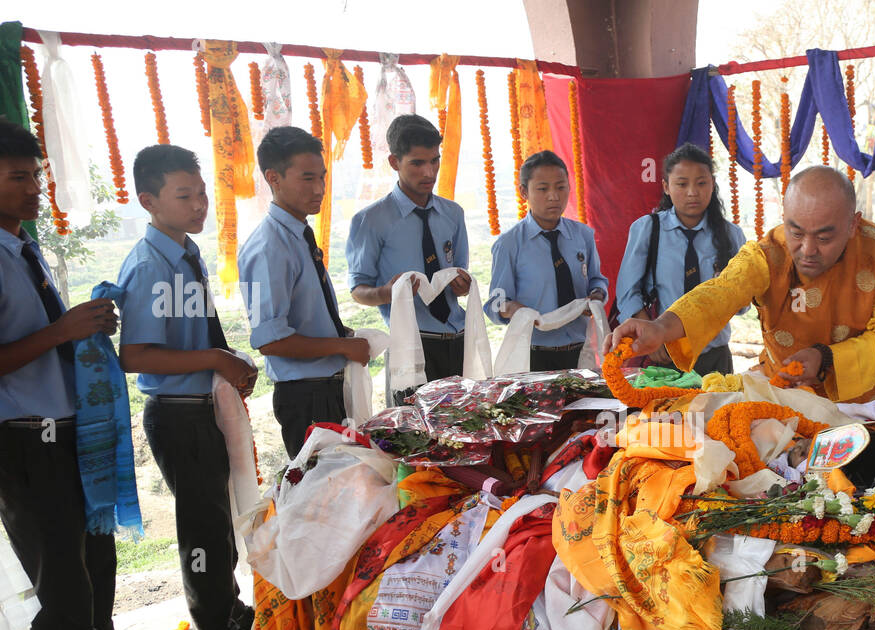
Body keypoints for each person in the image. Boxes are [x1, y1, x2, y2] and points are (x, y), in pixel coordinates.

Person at [0, 119, 161, 630]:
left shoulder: (21, 246)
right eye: (19, 178)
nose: (34, 189)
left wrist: (79, 332)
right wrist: (61, 332)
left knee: (94, 554)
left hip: (66, 428)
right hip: (23, 438)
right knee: (60, 573)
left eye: (35, 175)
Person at [117, 144, 257, 630]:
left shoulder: (185, 252)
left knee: (215, 517)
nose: (199, 205)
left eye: (201, 194)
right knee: (200, 525)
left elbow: (198, 334)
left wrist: (225, 362)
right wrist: (217, 358)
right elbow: (134, 354)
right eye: (185, 196)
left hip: (202, 403)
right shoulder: (150, 265)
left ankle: (226, 608)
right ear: (148, 200)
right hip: (177, 412)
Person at [610, 165, 875, 403]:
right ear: (784, 218)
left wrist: (826, 358)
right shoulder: (768, 254)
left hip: (856, 404)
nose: (807, 250)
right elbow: (720, 292)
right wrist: (661, 328)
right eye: (796, 232)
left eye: (824, 238)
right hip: (780, 394)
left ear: (853, 224)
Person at [239, 126, 369, 458]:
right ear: (274, 177)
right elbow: (270, 340)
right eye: (307, 178)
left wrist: (342, 337)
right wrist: (343, 345)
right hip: (306, 395)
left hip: (328, 387)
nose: (319, 189)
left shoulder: (297, 234)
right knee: (320, 496)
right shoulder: (269, 246)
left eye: (322, 178)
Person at [347, 114, 471, 382]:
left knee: (466, 421)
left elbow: (461, 276)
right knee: (412, 423)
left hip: (460, 337)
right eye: (417, 163)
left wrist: (463, 285)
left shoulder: (453, 213)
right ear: (395, 162)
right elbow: (358, 290)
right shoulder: (371, 220)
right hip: (410, 345)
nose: (429, 172)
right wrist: (384, 292)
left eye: (434, 161)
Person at [615, 143, 747, 377]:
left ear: (712, 185)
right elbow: (627, 293)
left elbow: (743, 303)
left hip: (715, 357)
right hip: (664, 355)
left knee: (718, 413)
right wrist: (651, 334)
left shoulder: (730, 235)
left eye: (701, 183)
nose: (692, 192)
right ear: (666, 186)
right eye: (682, 184)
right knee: (666, 415)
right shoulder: (648, 229)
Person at [488, 150, 608, 371]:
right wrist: (512, 309)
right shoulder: (509, 244)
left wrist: (598, 295)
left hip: (579, 349)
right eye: (543, 189)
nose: (554, 196)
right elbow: (495, 302)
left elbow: (597, 280)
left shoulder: (583, 236)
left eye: (561, 187)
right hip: (533, 353)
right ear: (524, 192)